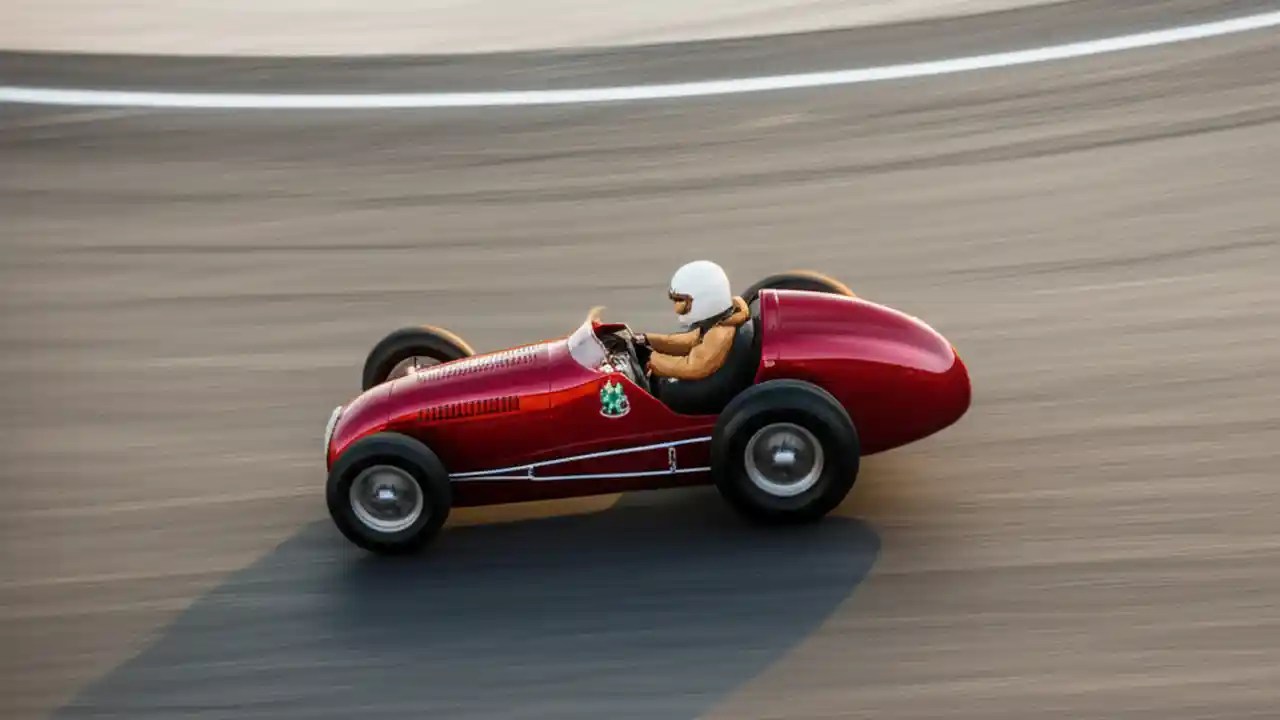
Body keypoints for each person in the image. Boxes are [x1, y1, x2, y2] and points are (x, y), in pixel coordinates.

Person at [635, 260, 751, 381]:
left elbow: (691, 367)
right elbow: (690, 340)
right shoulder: (720, 322)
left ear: (704, 300)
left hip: (694, 392)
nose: (677, 310)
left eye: (681, 301)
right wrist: (647, 339)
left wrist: (651, 359)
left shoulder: (720, 334)